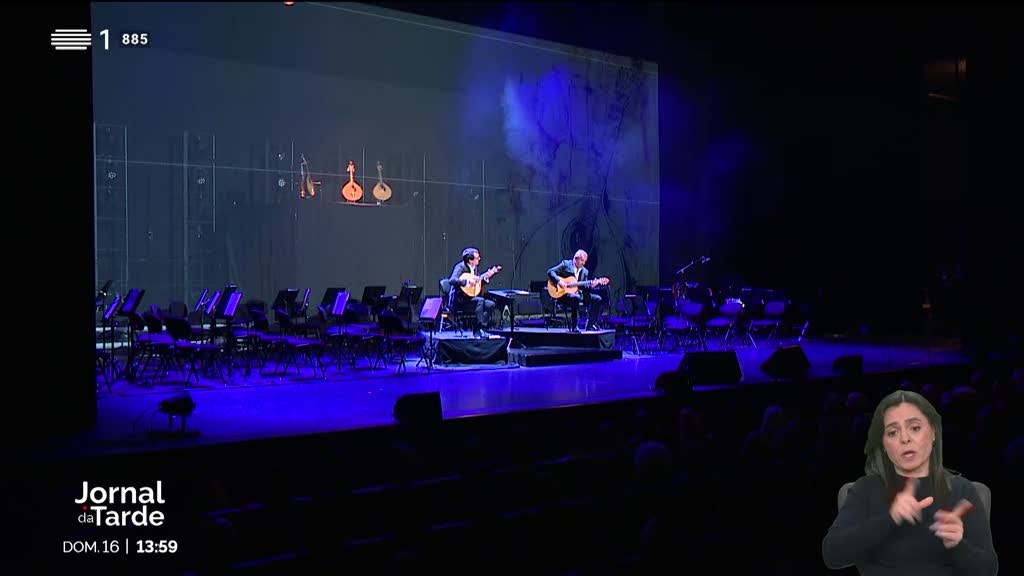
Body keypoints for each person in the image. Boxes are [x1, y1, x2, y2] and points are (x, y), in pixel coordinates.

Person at [822, 390, 998, 575]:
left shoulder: (962, 490)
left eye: (914, 428)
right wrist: (890, 519)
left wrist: (958, 545)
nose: (905, 439)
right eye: (892, 432)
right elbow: (832, 556)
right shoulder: (866, 488)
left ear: (933, 432)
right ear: (883, 445)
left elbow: (988, 570)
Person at [547, 249, 603, 332]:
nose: (583, 263)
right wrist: (559, 281)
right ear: (576, 258)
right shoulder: (566, 264)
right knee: (575, 297)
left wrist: (592, 285)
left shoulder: (585, 272)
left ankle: (590, 325)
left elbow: (584, 287)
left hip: (580, 294)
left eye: (585, 261)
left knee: (597, 298)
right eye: (582, 261)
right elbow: (550, 272)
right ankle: (574, 326)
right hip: (564, 295)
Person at [449, 247, 496, 338]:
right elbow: (452, 280)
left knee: (491, 305)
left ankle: (480, 327)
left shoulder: (474, 268)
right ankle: (478, 331)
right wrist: (465, 282)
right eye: (477, 258)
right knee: (480, 301)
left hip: (471, 297)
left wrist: (486, 278)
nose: (479, 259)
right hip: (461, 300)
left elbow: (476, 284)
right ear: (470, 260)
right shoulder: (460, 267)